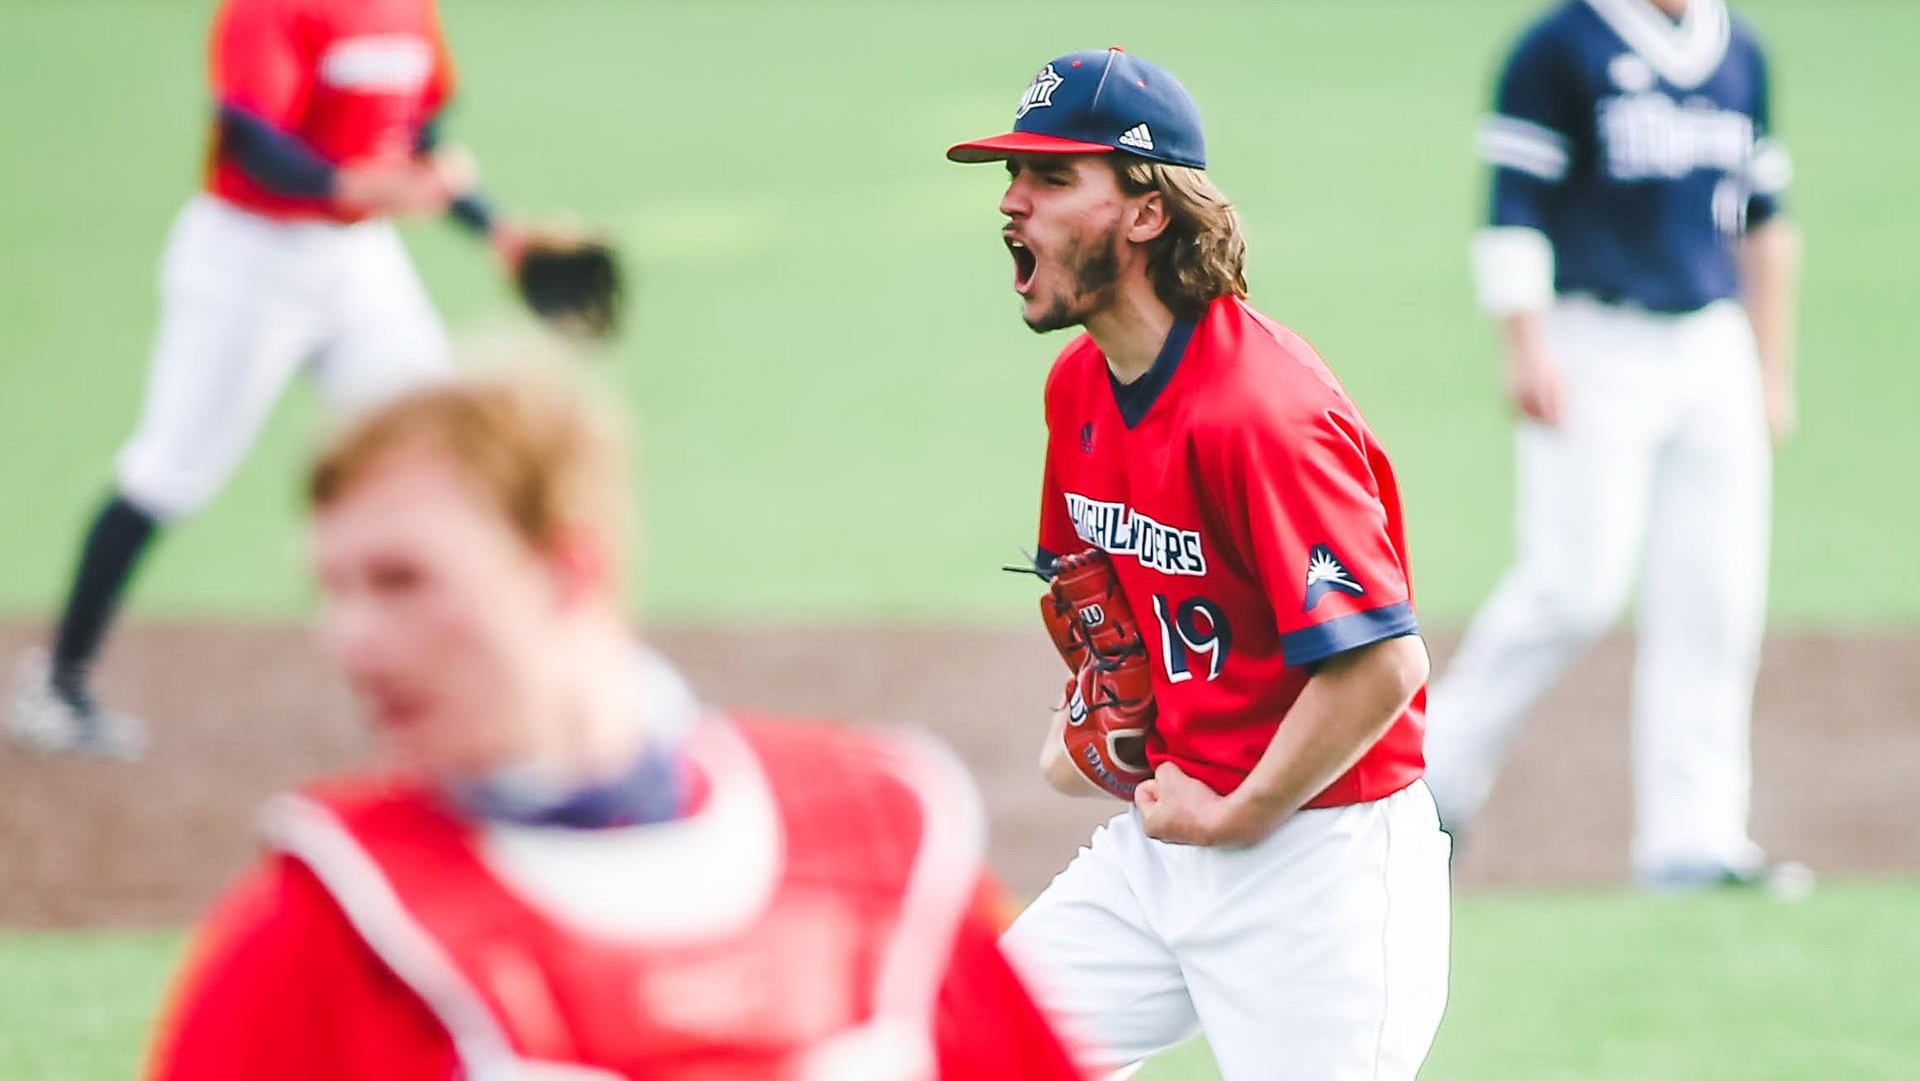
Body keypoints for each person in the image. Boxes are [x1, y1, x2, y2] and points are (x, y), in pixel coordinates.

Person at [143, 369, 1088, 1080]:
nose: (349, 640)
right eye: (334, 590)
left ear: (568, 567)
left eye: (403, 581)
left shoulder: (881, 841)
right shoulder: (323, 933)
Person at [947, 48, 1450, 1081]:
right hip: (1164, 843)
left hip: (1319, 870)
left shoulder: (1261, 412)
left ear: (1144, 211)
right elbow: (1106, 605)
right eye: (1013, 176)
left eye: (1050, 178)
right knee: (973, 1056)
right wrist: (1090, 719)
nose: (1012, 201)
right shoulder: (1080, 389)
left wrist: (1240, 810)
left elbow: (1378, 666)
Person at [8, 0, 531, 758]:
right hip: (246, 263)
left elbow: (419, 135)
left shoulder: (408, 9)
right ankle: (57, 686)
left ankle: (474, 686)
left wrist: (498, 230)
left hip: (356, 261)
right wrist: (358, 187)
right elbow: (251, 141)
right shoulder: (269, 8)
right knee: (170, 473)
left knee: (445, 454)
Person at [1424, 0, 1803, 890]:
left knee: (1715, 595)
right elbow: (1513, 206)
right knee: (1572, 585)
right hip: (1593, 341)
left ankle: (1695, 838)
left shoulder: (1737, 48)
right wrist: (1525, 343)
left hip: (1714, 347)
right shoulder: (1561, 45)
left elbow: (1765, 220)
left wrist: (1771, 370)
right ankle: (1433, 780)